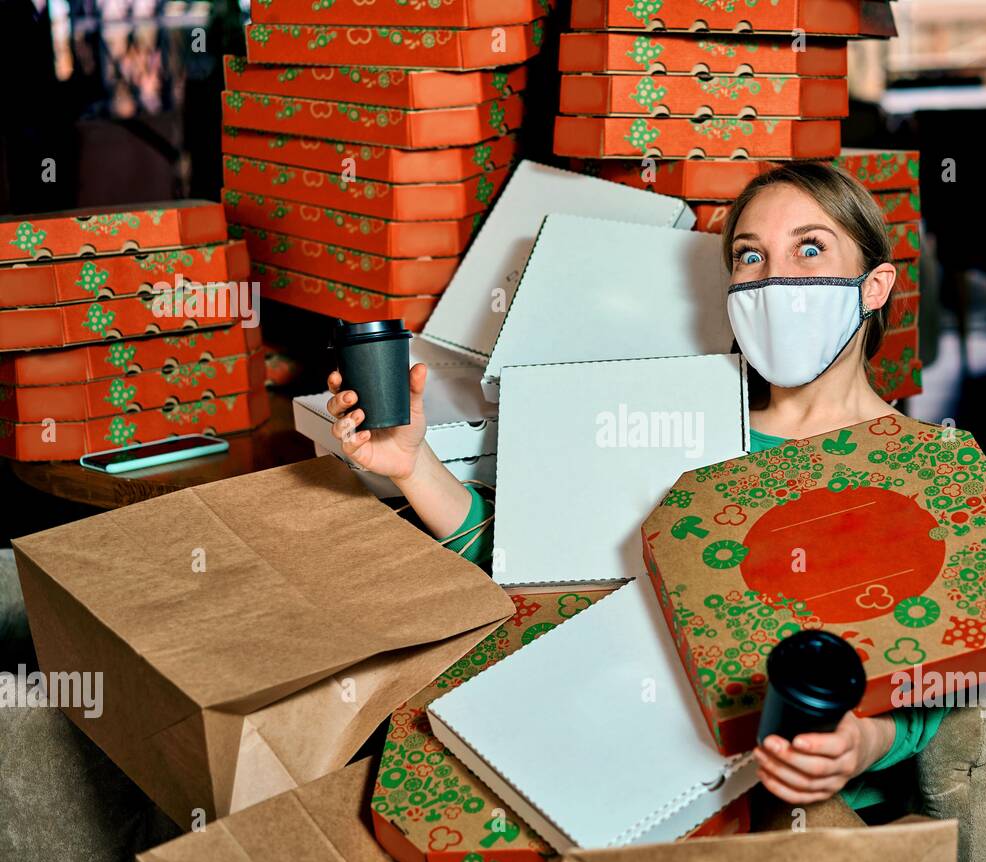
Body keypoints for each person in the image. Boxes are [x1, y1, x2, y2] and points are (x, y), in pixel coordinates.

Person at [324, 160, 948, 815]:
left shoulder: (925, 466)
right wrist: (410, 464)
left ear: (875, 285)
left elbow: (950, 674)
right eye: (750, 256)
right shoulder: (684, 427)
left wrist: (863, 739)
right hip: (638, 770)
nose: (775, 279)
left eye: (810, 248)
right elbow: (531, 568)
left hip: (812, 810)